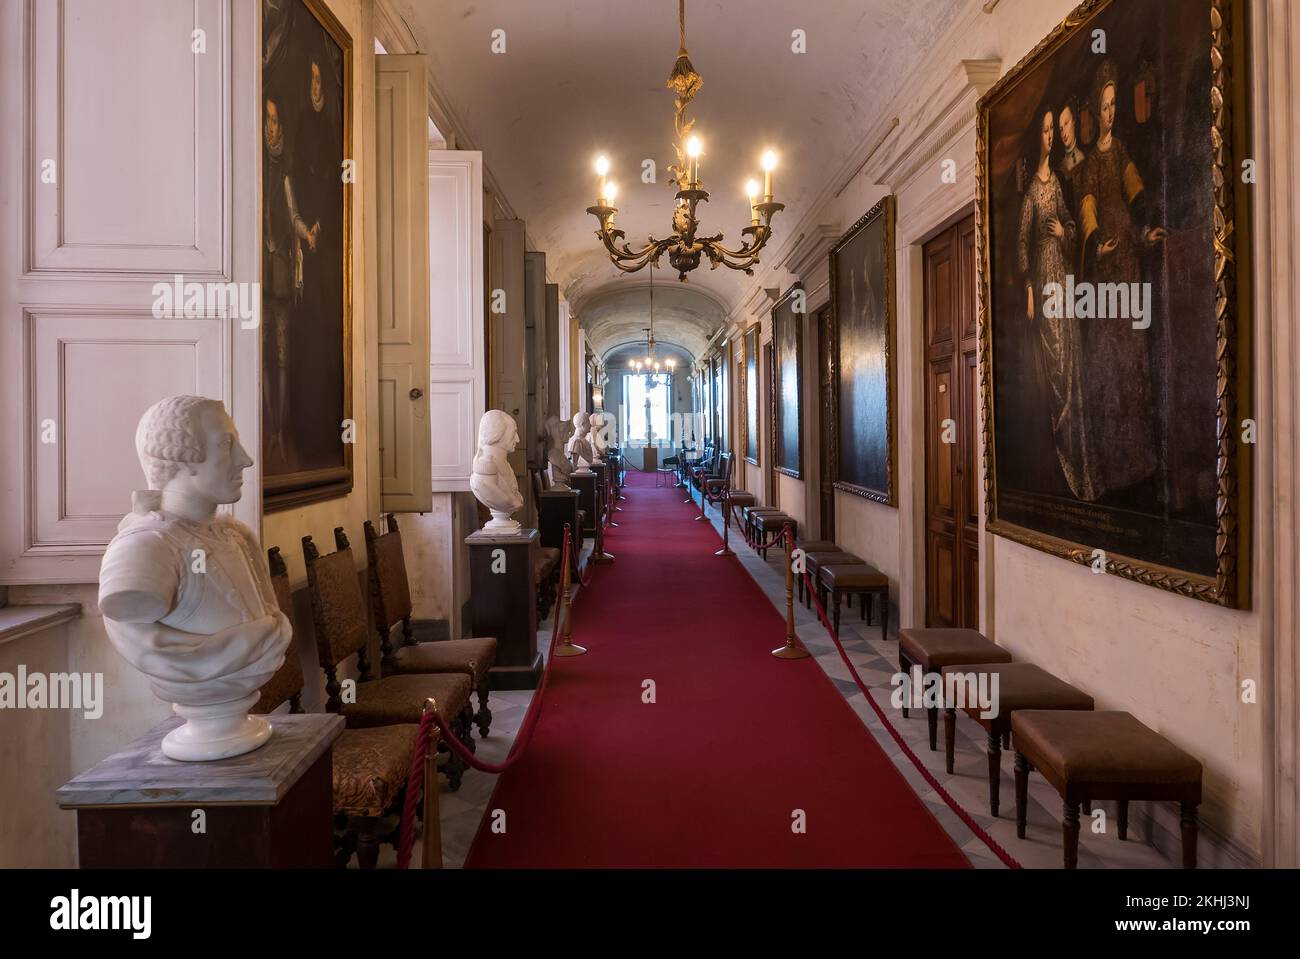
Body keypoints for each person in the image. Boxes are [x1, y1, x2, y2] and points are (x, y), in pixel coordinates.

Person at [1076, 59, 1165, 496]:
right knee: (1110, 361)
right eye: (1106, 105)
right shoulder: (1091, 162)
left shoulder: (1124, 151)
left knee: (1133, 356)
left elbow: (1137, 195)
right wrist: (1095, 244)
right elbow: (1088, 208)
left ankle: (1140, 459)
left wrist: (1146, 229)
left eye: (1115, 104)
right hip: (1106, 262)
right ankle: (1113, 462)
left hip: (1127, 256)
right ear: (1097, 109)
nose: (1112, 112)